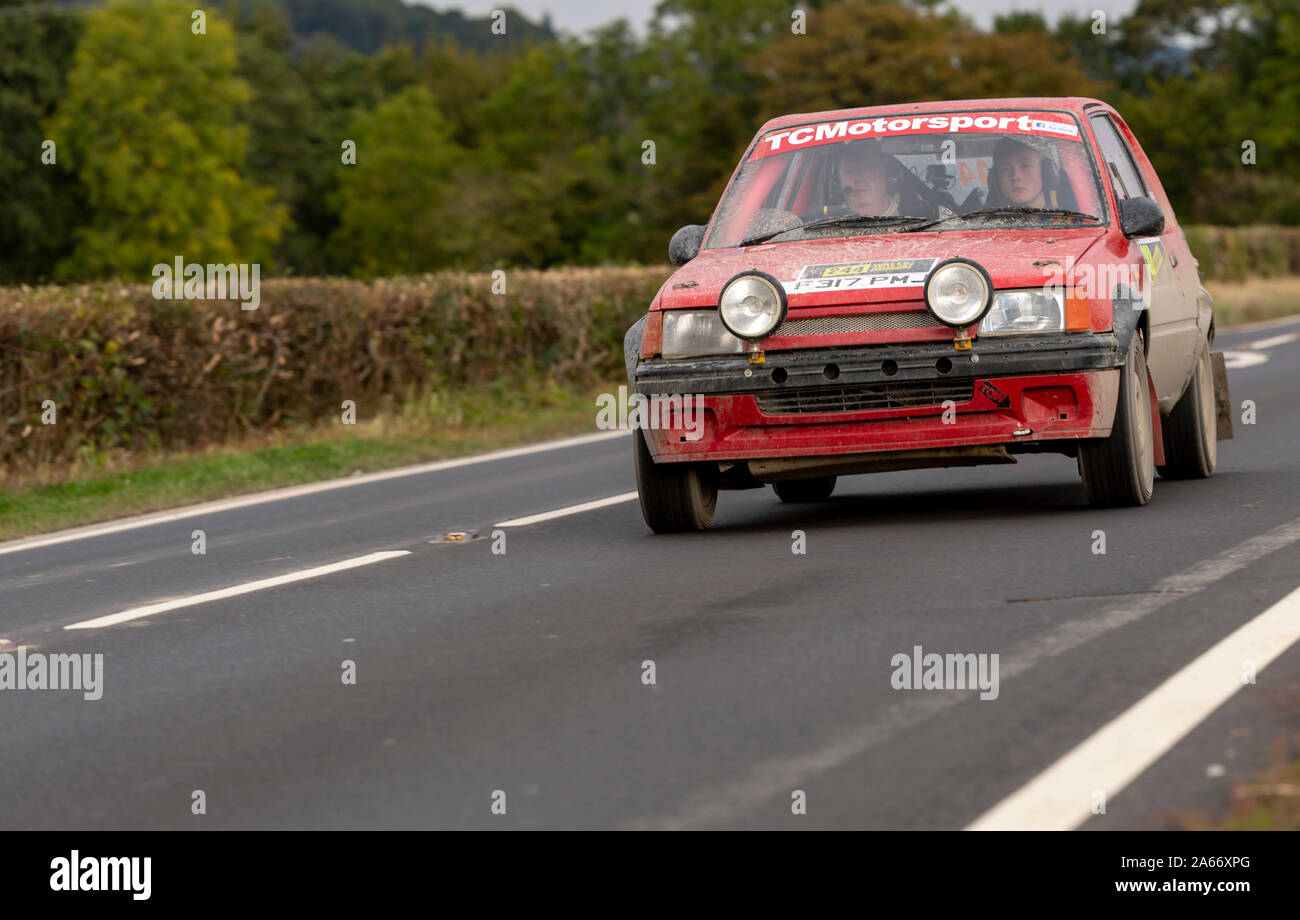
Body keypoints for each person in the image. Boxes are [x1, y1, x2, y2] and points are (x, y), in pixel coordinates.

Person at [987, 136, 1075, 210]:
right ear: (995, 179)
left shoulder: (1068, 225)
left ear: (1046, 172)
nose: (1015, 176)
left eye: (1025, 166)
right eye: (1005, 169)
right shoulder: (983, 226)